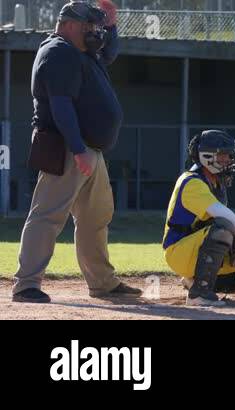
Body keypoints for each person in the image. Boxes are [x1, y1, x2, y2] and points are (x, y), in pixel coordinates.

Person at [13, 1, 142, 303]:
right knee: (47, 216)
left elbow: (109, 52)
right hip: (68, 147)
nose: (95, 33)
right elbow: (61, 106)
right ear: (70, 25)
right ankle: (26, 284)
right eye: (90, 27)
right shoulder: (58, 52)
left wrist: (111, 26)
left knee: (95, 219)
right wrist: (78, 148)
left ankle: (103, 283)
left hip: (89, 151)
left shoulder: (80, 51)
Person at [163, 130, 235, 307]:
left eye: (229, 156)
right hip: (179, 252)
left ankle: (193, 281)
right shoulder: (191, 182)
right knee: (224, 227)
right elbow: (220, 214)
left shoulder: (216, 183)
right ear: (206, 156)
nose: (228, 160)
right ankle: (198, 294)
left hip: (197, 251)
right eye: (223, 155)